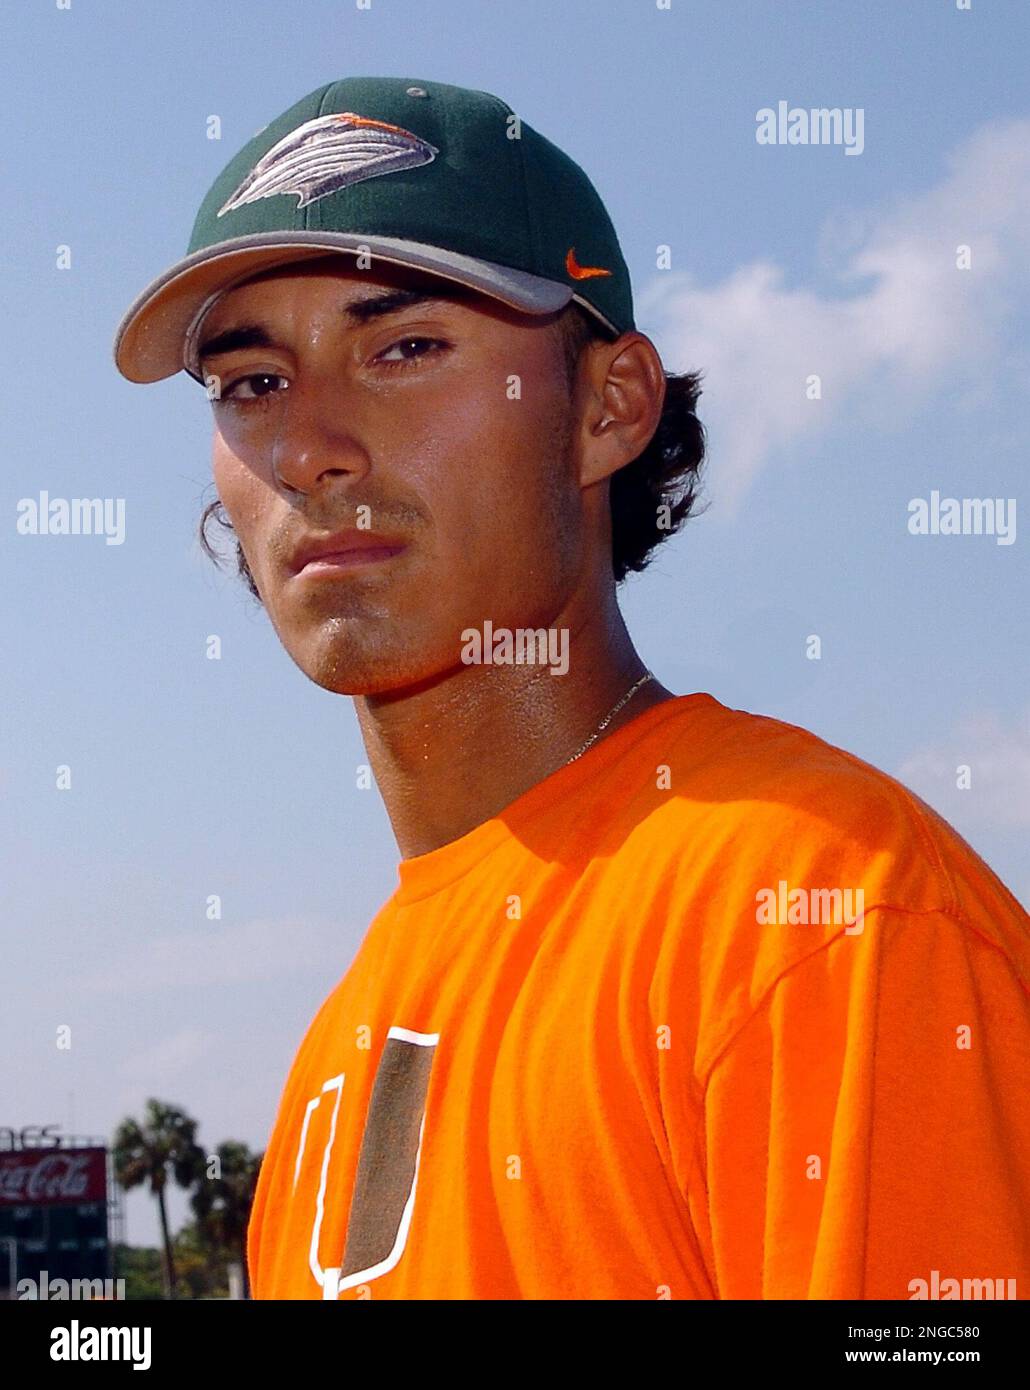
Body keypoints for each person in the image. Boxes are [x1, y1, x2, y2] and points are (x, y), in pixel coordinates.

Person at [113, 76, 1029, 1300]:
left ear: (609, 406)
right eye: (252, 382)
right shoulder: (338, 1049)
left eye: (405, 347)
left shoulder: (820, 918)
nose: (310, 445)